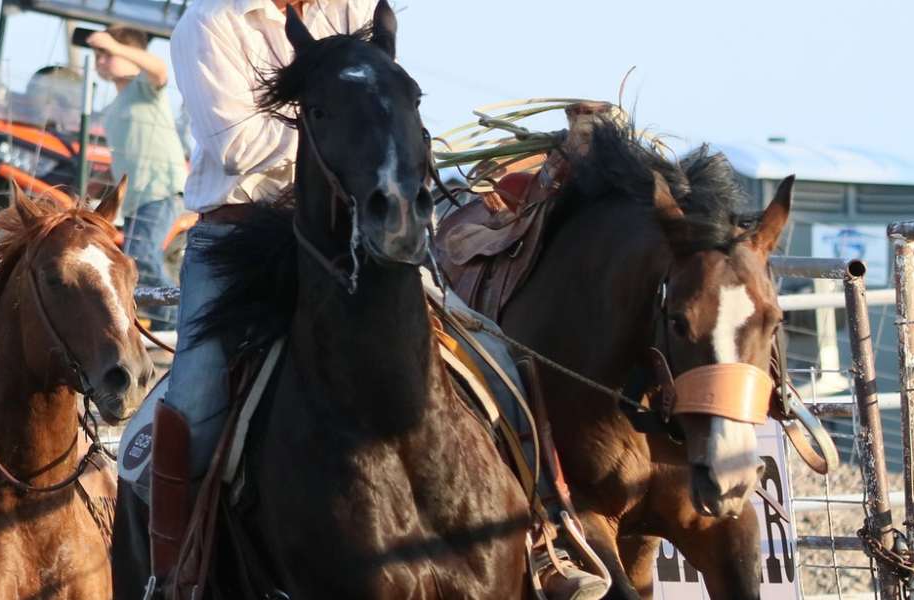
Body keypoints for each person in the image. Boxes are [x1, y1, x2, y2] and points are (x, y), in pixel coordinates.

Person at [164, 2, 607, 597]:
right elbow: (235, 145)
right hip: (238, 234)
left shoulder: (351, 6)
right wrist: (355, 128)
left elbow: (384, 96)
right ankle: (176, 572)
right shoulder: (209, 21)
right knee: (192, 403)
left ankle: (549, 540)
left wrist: (374, 134)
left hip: (357, 226)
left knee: (496, 356)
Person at [86, 25, 187, 330]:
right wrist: (97, 183)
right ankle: (166, 325)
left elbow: (158, 67)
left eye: (107, 54)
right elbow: (123, 158)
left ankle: (175, 324)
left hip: (160, 191)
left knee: (140, 256)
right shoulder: (112, 108)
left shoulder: (144, 88)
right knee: (134, 261)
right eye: (98, 55)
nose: (101, 60)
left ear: (132, 55)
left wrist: (115, 46)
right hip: (135, 200)